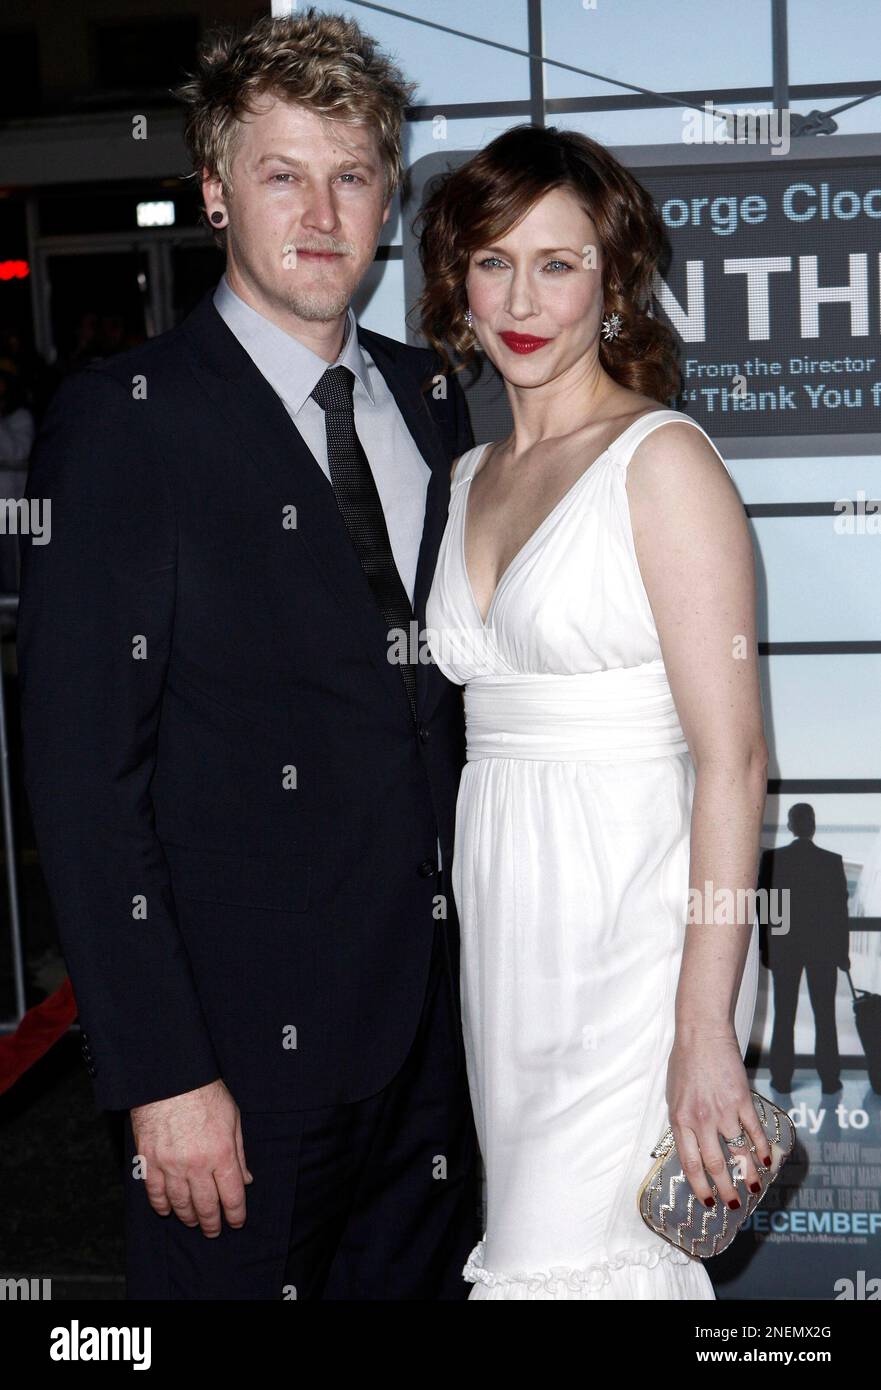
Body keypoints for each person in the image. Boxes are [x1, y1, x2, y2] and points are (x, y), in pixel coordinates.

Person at [17, 9, 480, 1300]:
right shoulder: (126, 425)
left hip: (436, 1052)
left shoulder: (433, 395)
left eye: (352, 174)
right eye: (283, 174)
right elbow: (80, 773)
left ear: (389, 194)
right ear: (215, 192)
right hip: (237, 1064)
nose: (322, 212)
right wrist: (162, 1069)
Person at [421, 124, 772, 1300]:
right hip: (512, 938)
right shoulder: (466, 477)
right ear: (454, 276)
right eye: (491, 259)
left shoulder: (661, 461)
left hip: (635, 937)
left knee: (573, 1265)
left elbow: (733, 763)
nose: (521, 298)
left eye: (557, 263)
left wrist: (704, 1026)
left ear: (612, 280)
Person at [758, 802, 851, 1093]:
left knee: (783, 1015)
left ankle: (782, 1079)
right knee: (825, 1016)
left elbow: (767, 909)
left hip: (785, 948)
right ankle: (829, 1079)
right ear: (812, 825)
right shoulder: (831, 861)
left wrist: (766, 947)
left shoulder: (774, 860)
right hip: (822, 950)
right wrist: (842, 953)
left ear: (790, 826)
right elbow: (839, 912)